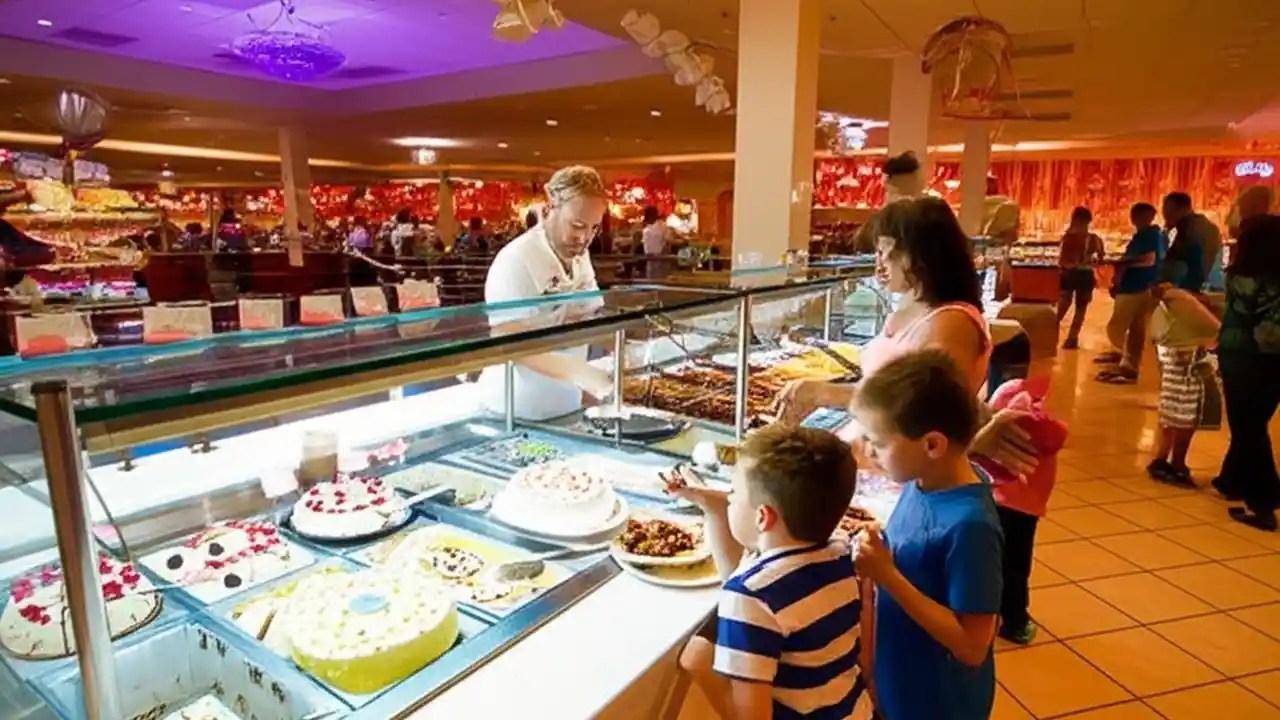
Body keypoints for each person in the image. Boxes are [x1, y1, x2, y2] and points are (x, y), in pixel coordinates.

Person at [777, 197, 1038, 475]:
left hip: (909, 470)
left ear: (918, 255)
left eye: (885, 251)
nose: (878, 264)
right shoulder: (910, 304)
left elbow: (924, 407)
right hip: (880, 456)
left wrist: (826, 393)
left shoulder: (952, 323)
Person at [672, 424, 873, 720]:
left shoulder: (750, 597)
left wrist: (700, 666)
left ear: (763, 517)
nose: (728, 499)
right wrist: (713, 509)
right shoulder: (838, 552)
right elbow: (753, 567)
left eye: (733, 493)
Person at [852, 350, 1002, 720]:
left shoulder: (971, 526)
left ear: (932, 445)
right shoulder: (923, 483)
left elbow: (972, 646)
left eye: (879, 442)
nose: (868, 450)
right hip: (901, 675)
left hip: (938, 701)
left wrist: (886, 575)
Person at [479, 166, 613, 421]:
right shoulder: (516, 260)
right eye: (577, 225)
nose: (584, 238)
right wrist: (581, 373)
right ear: (551, 207)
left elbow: (591, 314)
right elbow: (511, 342)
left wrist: (625, 346)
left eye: (593, 228)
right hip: (514, 409)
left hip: (566, 405)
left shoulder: (579, 257)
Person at [1213, 214, 1280, 531]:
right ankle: (1232, 480)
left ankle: (1263, 501)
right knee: (1256, 420)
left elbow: (1237, 316)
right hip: (1275, 359)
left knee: (1248, 427)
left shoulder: (1243, 277)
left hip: (1244, 355)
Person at [1147, 284, 1222, 488]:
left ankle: (1161, 459)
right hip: (1189, 364)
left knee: (1170, 413)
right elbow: (1212, 327)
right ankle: (1178, 464)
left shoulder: (1163, 309)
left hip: (1172, 362)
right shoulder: (1180, 300)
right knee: (1186, 417)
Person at [1096, 203, 1162, 383]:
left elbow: (1148, 260)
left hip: (1136, 285)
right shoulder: (1150, 235)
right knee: (1136, 329)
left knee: (1118, 326)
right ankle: (1129, 366)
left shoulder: (1149, 235)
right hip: (1142, 285)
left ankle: (1124, 358)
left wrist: (1122, 262)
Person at [1055, 206, 1105, 350]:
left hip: (1069, 275)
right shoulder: (1094, 239)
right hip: (1085, 275)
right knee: (1081, 309)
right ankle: (1072, 338)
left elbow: (1062, 260)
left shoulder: (1068, 237)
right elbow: (1101, 258)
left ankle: (1051, 334)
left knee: (1062, 306)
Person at [1160, 192, 1213, 292]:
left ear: (1182, 209)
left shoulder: (1190, 228)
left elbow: (1175, 260)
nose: (1165, 216)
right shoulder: (1197, 224)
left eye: (1168, 211)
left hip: (1192, 286)